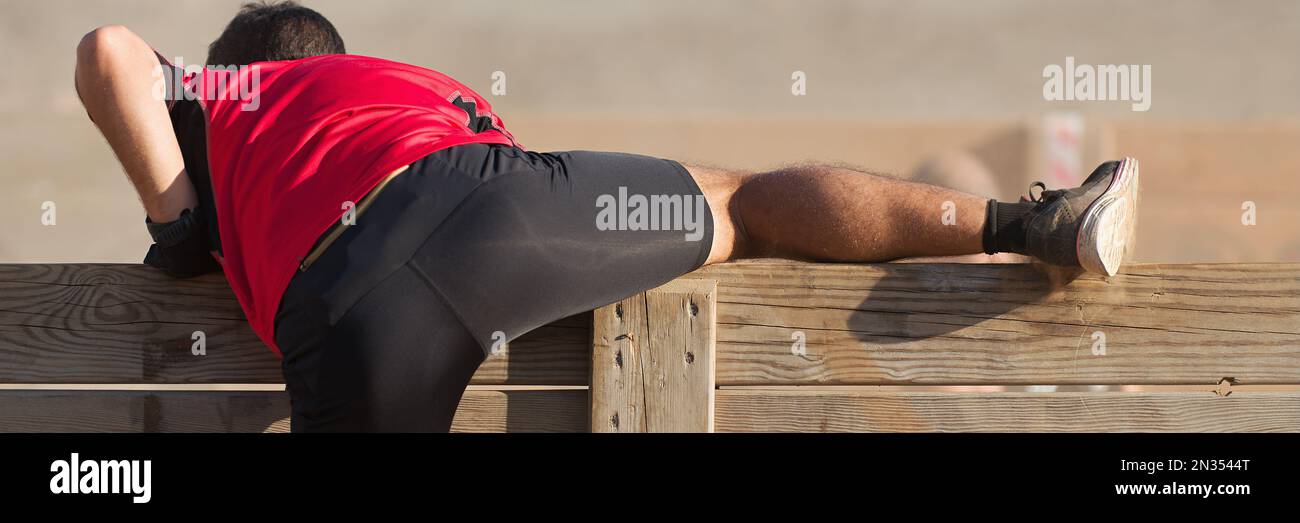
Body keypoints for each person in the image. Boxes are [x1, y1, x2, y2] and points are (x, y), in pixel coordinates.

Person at [74, 1, 1139, 432]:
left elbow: (108, 50)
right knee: (745, 200)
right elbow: (493, 221)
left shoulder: (238, 103)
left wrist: (179, 222)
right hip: (488, 199)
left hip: (343, 313)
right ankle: (1028, 223)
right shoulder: (415, 80)